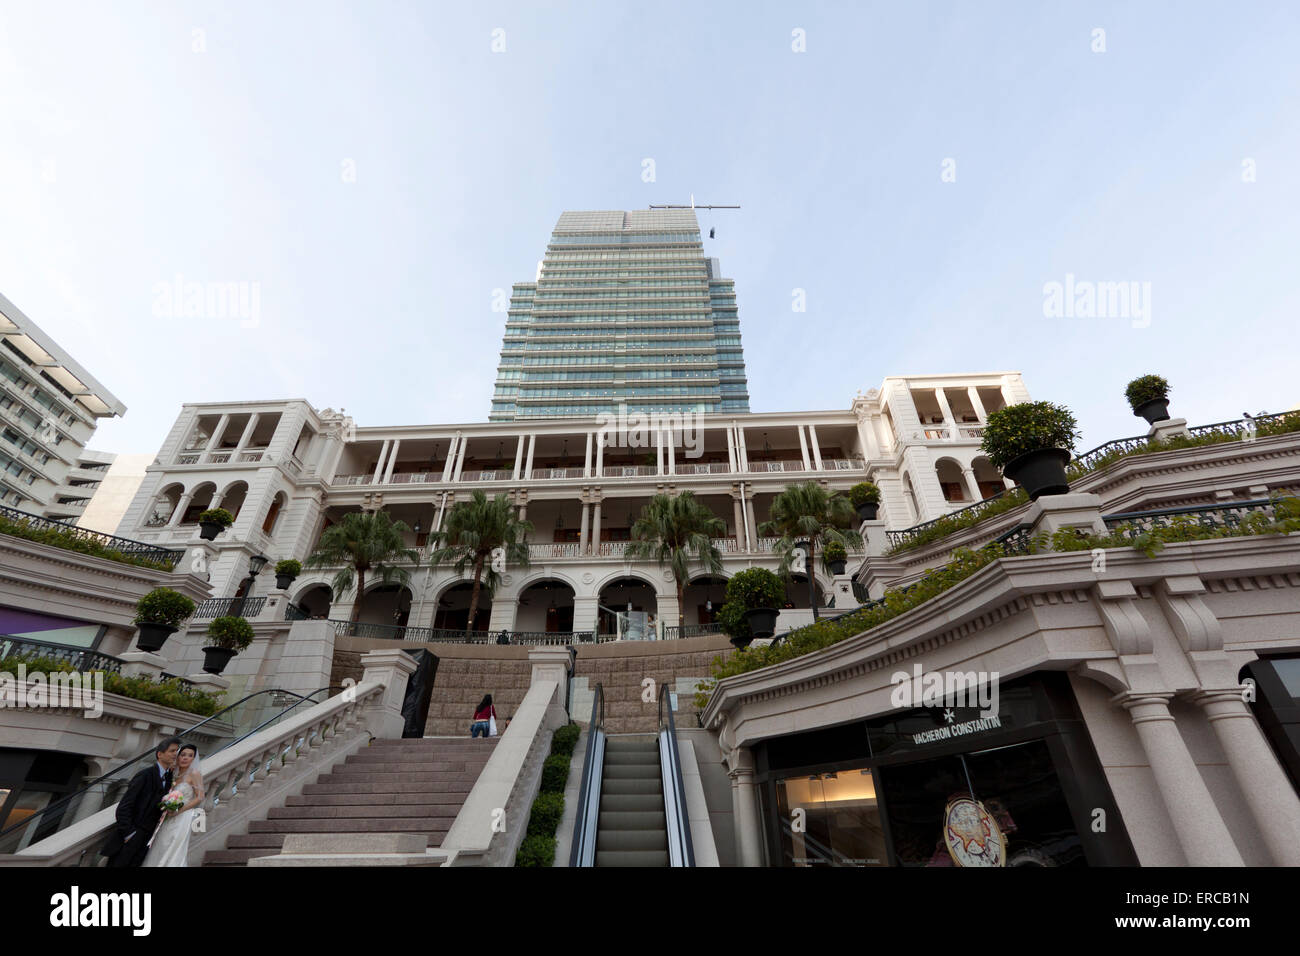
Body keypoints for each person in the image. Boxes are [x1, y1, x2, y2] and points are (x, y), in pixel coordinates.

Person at [101, 737, 179, 867]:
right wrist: (129, 834)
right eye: (172, 751)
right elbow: (124, 806)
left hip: (147, 839)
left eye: (176, 751)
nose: (175, 754)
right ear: (160, 754)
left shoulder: (169, 778)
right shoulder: (145, 775)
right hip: (132, 836)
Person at [143, 743, 204, 867]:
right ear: (178, 756)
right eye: (183, 755)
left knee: (174, 847)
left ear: (193, 759)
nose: (185, 758)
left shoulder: (194, 774)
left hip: (182, 817)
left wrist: (179, 811)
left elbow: (199, 797)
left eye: (190, 756)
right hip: (167, 815)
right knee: (161, 844)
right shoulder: (172, 773)